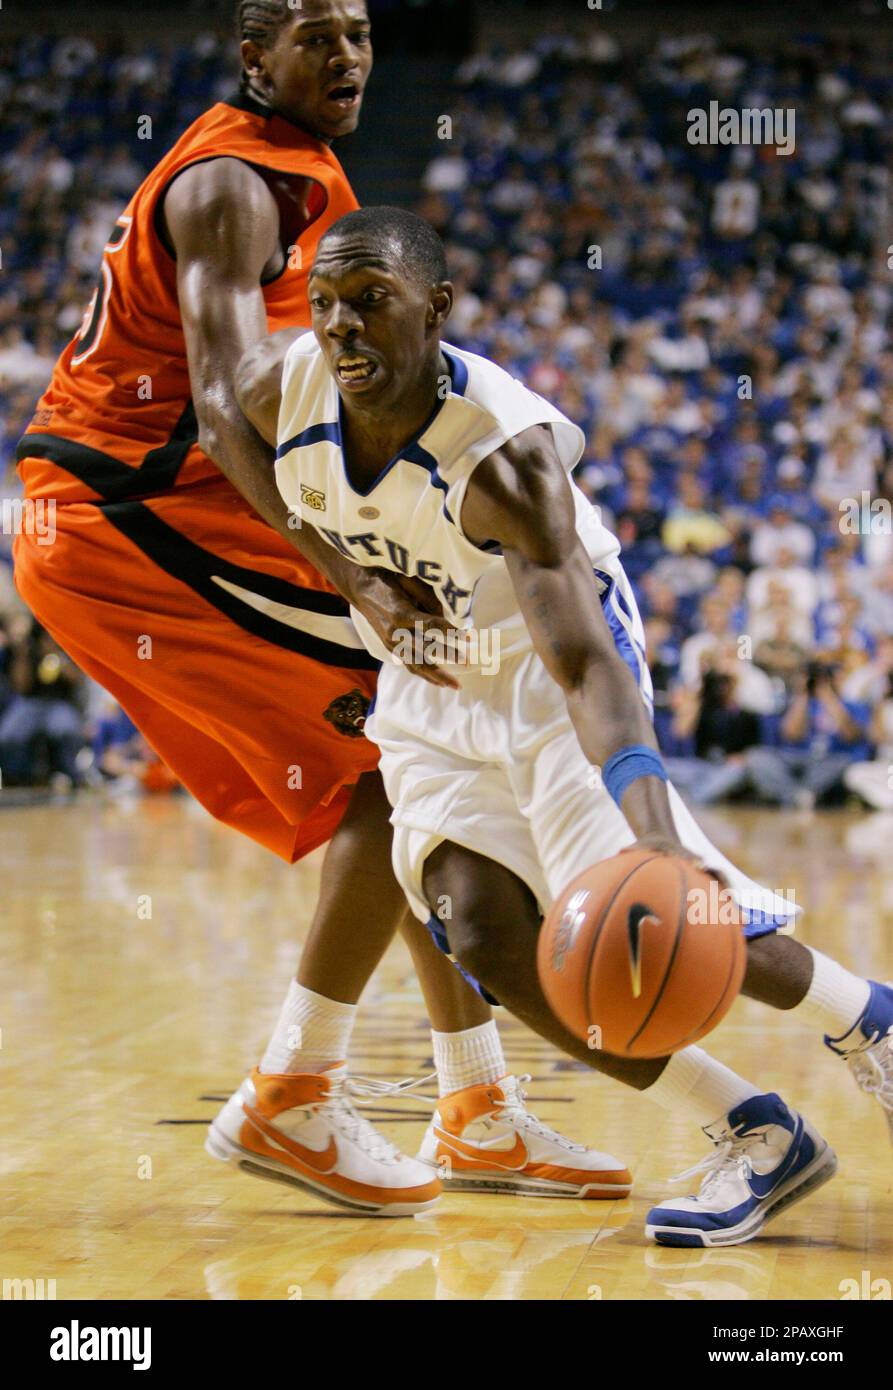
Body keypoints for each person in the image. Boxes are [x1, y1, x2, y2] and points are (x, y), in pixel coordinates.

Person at [14, 1, 607, 1215]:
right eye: (315, 37)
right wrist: (356, 574)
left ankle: (475, 1107)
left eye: (358, 33)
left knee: (411, 758)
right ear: (253, 56)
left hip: (183, 507)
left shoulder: (301, 166)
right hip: (128, 517)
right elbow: (230, 407)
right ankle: (296, 1092)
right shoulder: (232, 183)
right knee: (391, 766)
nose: (346, 58)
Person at [235, 206, 893, 1247]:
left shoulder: (501, 457)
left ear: (436, 309)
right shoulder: (289, 383)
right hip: (435, 668)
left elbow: (586, 662)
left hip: (553, 669)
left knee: (643, 911)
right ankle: (757, 1133)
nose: (341, 328)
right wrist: (354, 578)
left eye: (371, 303)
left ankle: (866, 1017)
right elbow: (222, 420)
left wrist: (654, 824)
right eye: (324, 306)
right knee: (486, 933)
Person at [745, 662, 872, 810]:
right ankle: (798, 796)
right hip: (792, 757)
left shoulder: (850, 705)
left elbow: (850, 736)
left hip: (827, 759)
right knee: (756, 757)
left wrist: (827, 696)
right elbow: (791, 734)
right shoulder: (794, 701)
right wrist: (803, 694)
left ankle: (798, 795)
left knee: (844, 762)